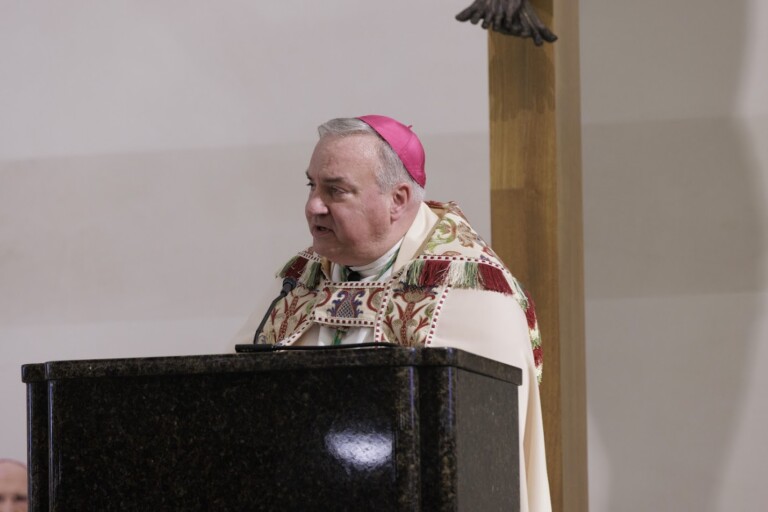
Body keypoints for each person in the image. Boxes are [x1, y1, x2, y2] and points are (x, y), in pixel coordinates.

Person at [234, 115, 550, 511]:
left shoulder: (469, 289)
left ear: (397, 199)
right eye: (312, 185)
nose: (313, 205)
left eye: (335, 190)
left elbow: (480, 451)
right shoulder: (300, 281)